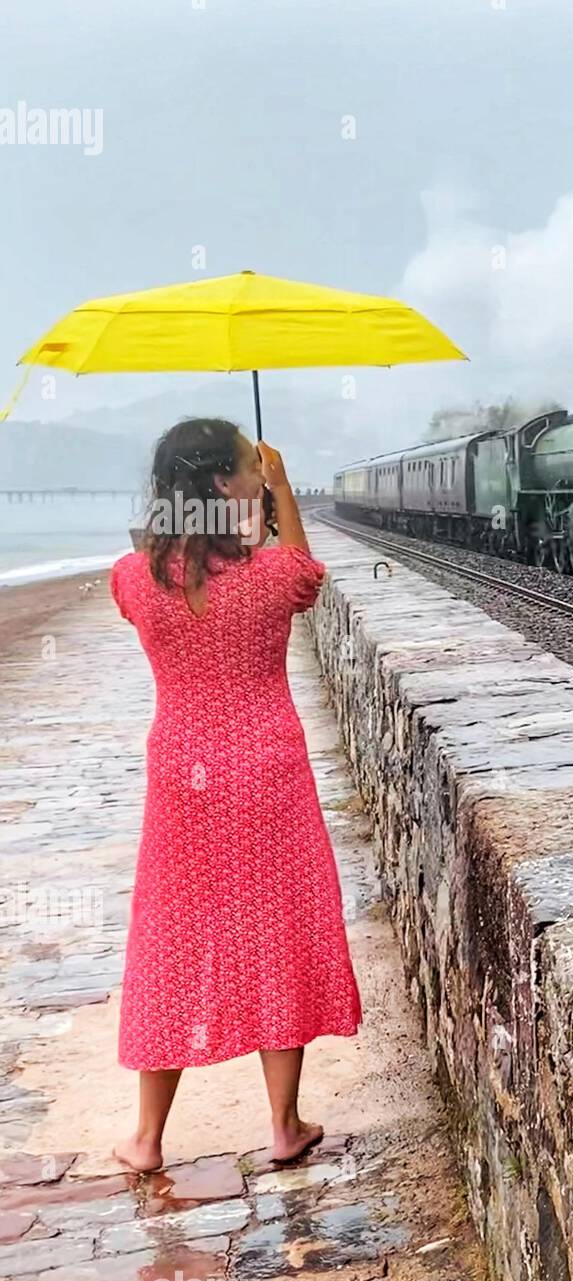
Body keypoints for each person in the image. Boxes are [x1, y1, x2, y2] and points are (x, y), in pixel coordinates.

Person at [108, 418, 361, 1172]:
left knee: (172, 938)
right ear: (225, 482)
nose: (262, 472)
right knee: (278, 927)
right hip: (267, 771)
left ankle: (148, 1138)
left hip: (181, 777)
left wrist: (224, 523)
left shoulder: (132, 577)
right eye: (251, 466)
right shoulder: (272, 577)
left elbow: (167, 586)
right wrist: (280, 495)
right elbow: (306, 579)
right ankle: (283, 1124)